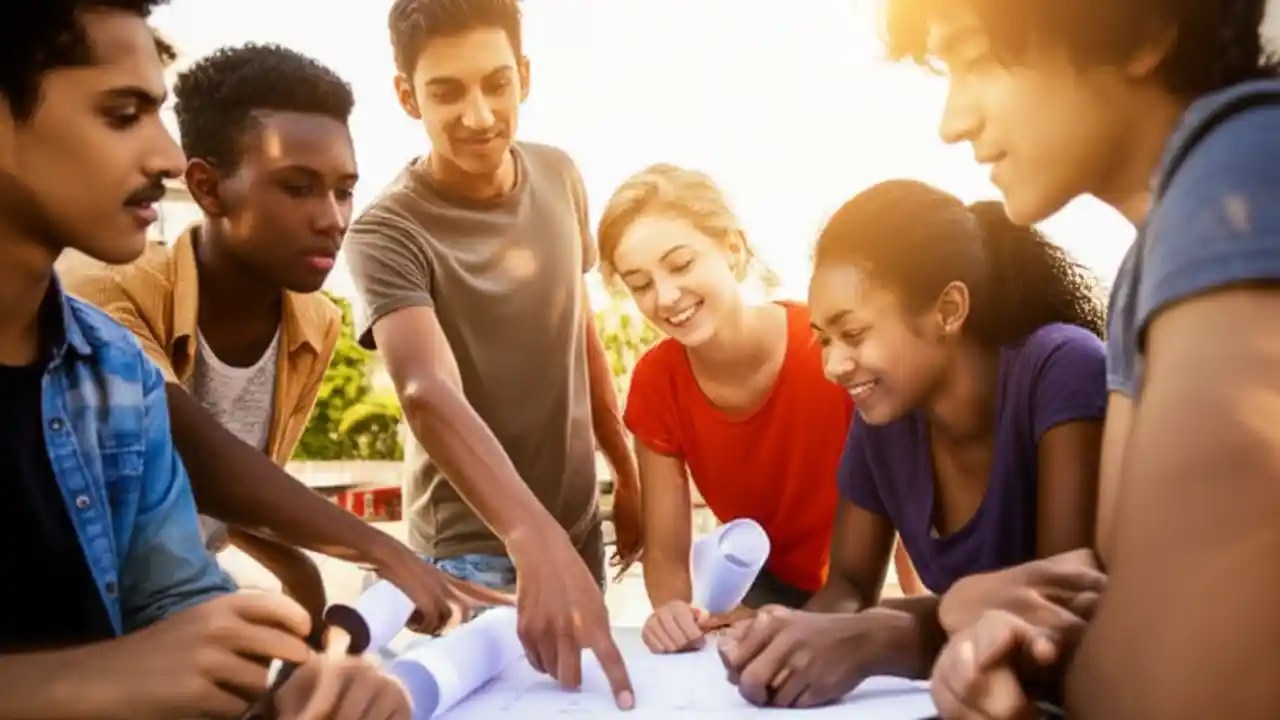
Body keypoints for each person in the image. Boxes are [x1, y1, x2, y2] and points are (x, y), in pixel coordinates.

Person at [0, 2, 409, 717]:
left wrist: (293, 680)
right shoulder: (133, 311)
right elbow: (139, 661)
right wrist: (86, 680)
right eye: (123, 114)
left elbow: (173, 599)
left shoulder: (117, 376)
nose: (164, 160)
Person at [882, 0, 1280, 716]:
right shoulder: (1148, 263)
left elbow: (1185, 690)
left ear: (1143, 28)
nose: (952, 121)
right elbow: (1115, 602)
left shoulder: (1245, 169)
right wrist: (956, 615)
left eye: (974, 57)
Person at [59, 41, 500, 633]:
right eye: (298, 188)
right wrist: (385, 552)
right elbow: (197, 455)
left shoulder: (314, 324)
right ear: (207, 188)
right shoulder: (110, 288)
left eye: (343, 189)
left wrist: (297, 568)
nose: (333, 218)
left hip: (175, 603)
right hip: (81, 616)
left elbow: (244, 486)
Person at [343, 0, 638, 707]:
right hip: (472, 552)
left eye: (496, 84)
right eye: (447, 90)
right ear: (407, 95)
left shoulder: (561, 174)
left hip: (574, 531)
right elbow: (424, 391)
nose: (478, 114)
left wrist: (624, 471)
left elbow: (580, 329)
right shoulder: (387, 232)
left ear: (524, 77)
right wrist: (531, 539)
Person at [717, 179, 1109, 708]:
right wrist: (783, 636)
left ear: (948, 309)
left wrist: (880, 640)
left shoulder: (1060, 369)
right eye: (824, 339)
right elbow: (851, 584)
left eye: (853, 334)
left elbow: (1059, 613)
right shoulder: (884, 421)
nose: (833, 367)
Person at [598, 163, 920, 654]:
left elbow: (905, 496)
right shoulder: (656, 382)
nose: (665, 296)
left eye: (681, 264)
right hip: (762, 592)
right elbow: (665, 554)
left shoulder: (829, 348)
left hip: (856, 588)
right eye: (640, 283)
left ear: (732, 249)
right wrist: (673, 617)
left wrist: (929, 612)